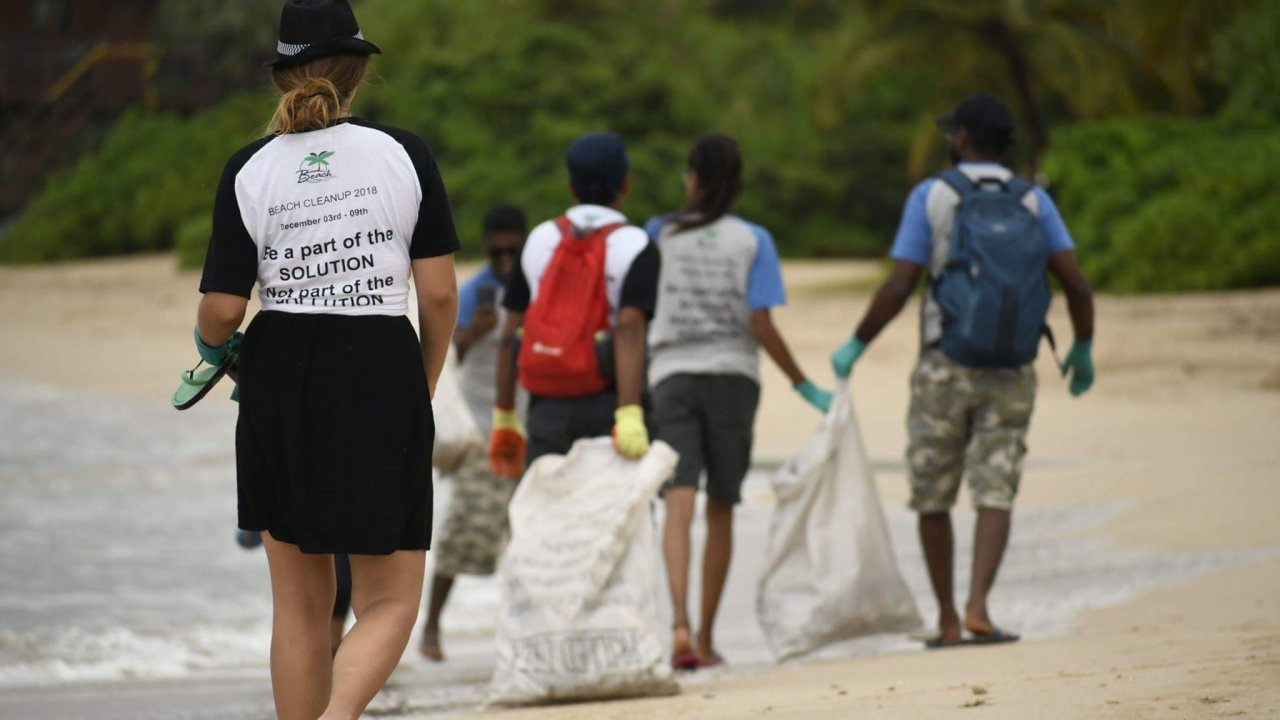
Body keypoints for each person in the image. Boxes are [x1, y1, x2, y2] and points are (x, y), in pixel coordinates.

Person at [193, 2, 459, 718]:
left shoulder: (248, 168)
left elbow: (222, 310)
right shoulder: (404, 153)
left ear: (284, 73)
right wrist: (420, 389)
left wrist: (208, 352)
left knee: (300, 606)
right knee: (392, 599)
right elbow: (436, 296)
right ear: (360, 69)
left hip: (280, 369)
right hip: (379, 361)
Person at [831, 94, 1095, 648]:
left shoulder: (933, 196)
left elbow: (902, 283)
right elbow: (1075, 282)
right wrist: (1082, 346)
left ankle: (948, 620)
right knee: (995, 487)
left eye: (954, 134)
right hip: (1013, 367)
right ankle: (980, 608)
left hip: (943, 363)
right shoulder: (1033, 202)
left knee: (933, 492)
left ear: (967, 139)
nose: (949, 140)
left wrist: (856, 345)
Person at [644, 133, 832, 670]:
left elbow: (636, 309)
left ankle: (676, 623)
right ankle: (705, 639)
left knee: (677, 503)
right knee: (721, 505)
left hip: (672, 375)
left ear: (693, 178)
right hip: (734, 379)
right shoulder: (754, 240)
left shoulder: (659, 233)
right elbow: (760, 322)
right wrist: (802, 383)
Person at [490, 132, 659, 475]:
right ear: (625, 183)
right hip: (610, 403)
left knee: (550, 517)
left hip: (547, 406)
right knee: (614, 521)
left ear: (570, 185)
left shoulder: (540, 239)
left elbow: (510, 334)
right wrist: (629, 414)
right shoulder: (637, 245)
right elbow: (629, 328)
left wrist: (505, 415)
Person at [420, 205, 527, 662]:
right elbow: (447, 354)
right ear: (485, 245)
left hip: (533, 426)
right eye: (497, 249)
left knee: (527, 541)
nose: (505, 257)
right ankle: (432, 626)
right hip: (484, 426)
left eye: (512, 249)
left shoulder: (535, 286)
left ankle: (521, 634)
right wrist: (476, 331)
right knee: (464, 531)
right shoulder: (478, 289)